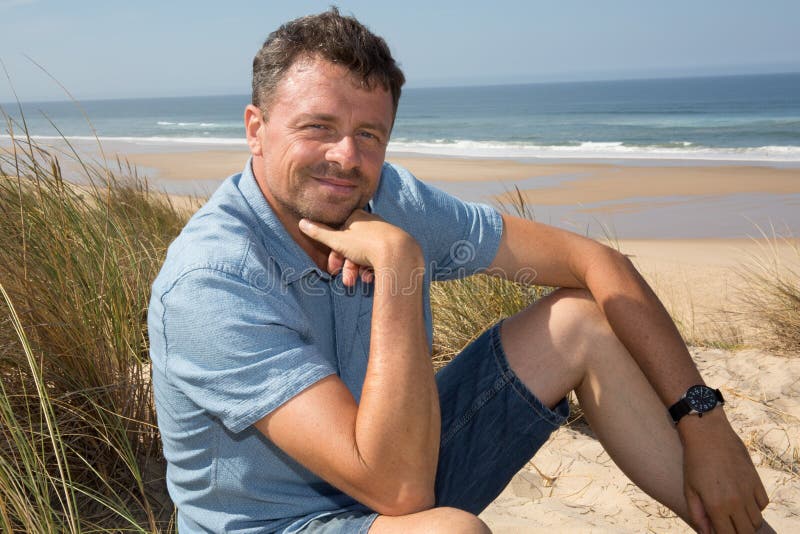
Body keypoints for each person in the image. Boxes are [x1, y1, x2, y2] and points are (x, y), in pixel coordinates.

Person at [148, 8, 771, 534]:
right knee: (450, 533)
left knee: (580, 321)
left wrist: (705, 424)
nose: (347, 157)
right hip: (284, 522)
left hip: (397, 454)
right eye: (318, 127)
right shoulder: (212, 280)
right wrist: (400, 263)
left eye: (370, 134)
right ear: (256, 129)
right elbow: (399, 489)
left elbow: (596, 262)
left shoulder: (391, 198)